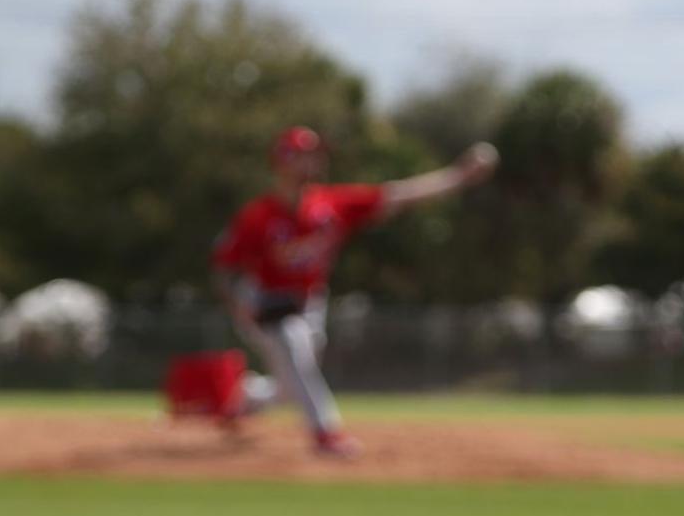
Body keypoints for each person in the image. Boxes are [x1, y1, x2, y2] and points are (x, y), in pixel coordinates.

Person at [212, 127, 498, 455]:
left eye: (314, 155)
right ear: (282, 161)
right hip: (264, 301)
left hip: (308, 303)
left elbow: (399, 195)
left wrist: (459, 176)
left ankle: (249, 396)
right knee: (293, 347)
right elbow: (224, 267)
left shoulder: (331, 204)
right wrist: (236, 305)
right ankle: (325, 433)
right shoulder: (259, 216)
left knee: (294, 378)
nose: (310, 161)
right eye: (301, 154)